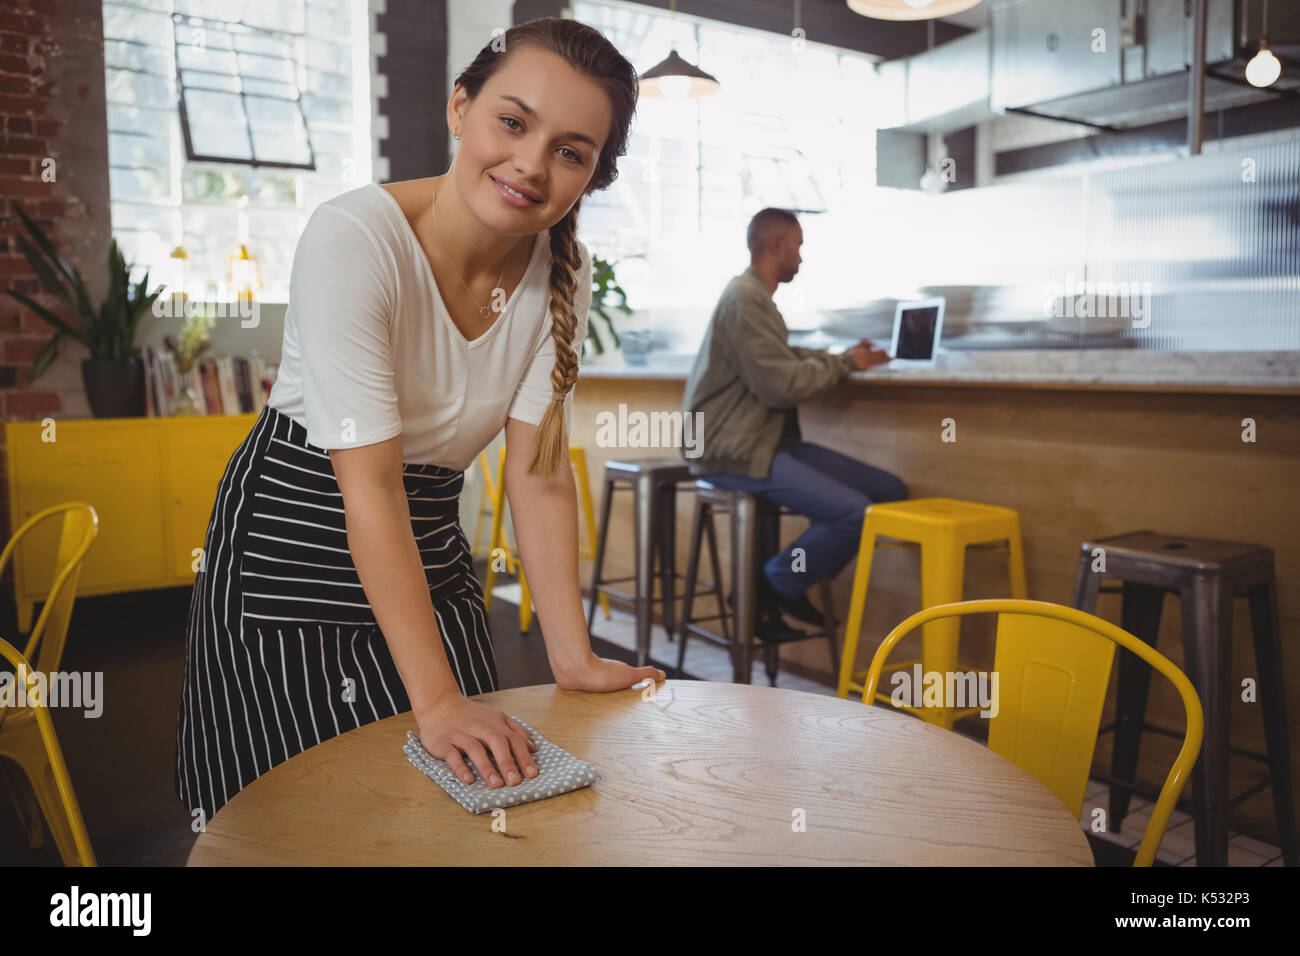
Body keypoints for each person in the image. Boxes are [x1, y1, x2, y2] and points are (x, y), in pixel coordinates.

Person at [174, 17, 664, 827]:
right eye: (513, 122)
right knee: (295, 819)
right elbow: (367, 484)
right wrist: (436, 700)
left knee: (471, 806)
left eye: (571, 151)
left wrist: (570, 656)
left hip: (427, 543)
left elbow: (538, 475)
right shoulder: (354, 237)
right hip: (294, 540)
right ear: (459, 107)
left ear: (591, 177)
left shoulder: (559, 272)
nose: (531, 165)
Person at [681, 208, 909, 643]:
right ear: (778, 246)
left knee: (891, 492)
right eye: (799, 247)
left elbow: (783, 357)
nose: (801, 258)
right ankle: (776, 583)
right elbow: (778, 385)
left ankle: (779, 582)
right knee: (853, 513)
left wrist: (844, 357)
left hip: (762, 443)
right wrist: (845, 363)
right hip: (730, 449)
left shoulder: (753, 298)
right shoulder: (745, 297)